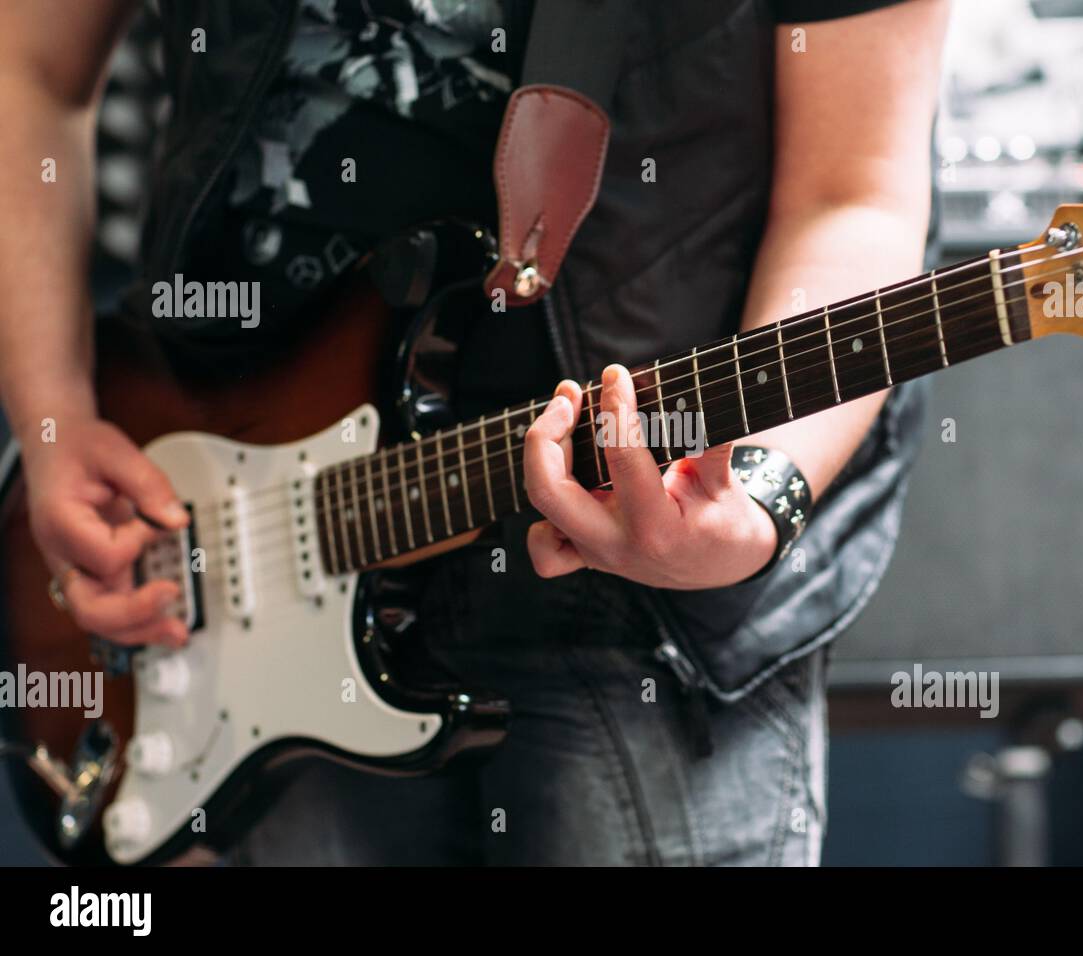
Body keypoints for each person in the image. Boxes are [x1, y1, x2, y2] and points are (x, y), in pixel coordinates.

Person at [0, 0, 948, 865]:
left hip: (636, 597)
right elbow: (28, 66)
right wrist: (50, 415)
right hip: (229, 512)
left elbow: (854, 196)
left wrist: (761, 493)